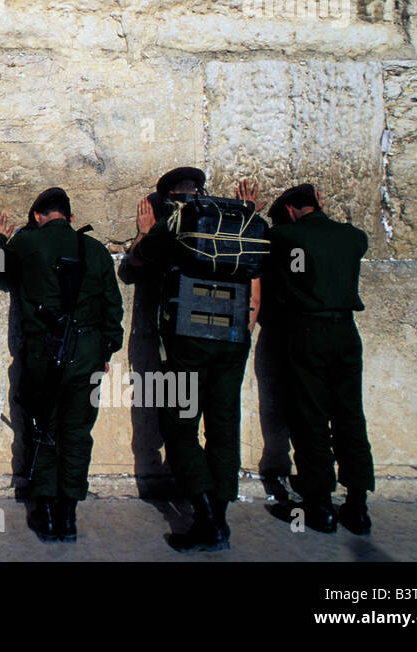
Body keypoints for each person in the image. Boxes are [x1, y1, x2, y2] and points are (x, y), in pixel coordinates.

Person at [122, 167, 261, 551]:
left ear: (168, 196)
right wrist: (247, 213)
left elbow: (132, 266)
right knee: (223, 428)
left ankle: (207, 519)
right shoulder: (240, 223)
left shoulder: (173, 224)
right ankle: (220, 514)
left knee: (180, 428)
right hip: (234, 338)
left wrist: (145, 232)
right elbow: (256, 285)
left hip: (187, 342)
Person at [0, 187, 123, 542]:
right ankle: (68, 514)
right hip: (87, 352)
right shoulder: (95, 249)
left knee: (41, 425)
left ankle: (44, 509)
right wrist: (105, 351)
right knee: (76, 432)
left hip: (43, 352)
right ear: (71, 217)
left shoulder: (27, 244)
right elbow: (112, 307)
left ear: (36, 216)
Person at [262, 183, 374, 535]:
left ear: (292, 210)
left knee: (309, 416)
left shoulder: (283, 236)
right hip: (345, 331)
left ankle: (320, 506)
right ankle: (357, 506)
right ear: (318, 203)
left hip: (304, 333)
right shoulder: (354, 237)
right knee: (350, 414)